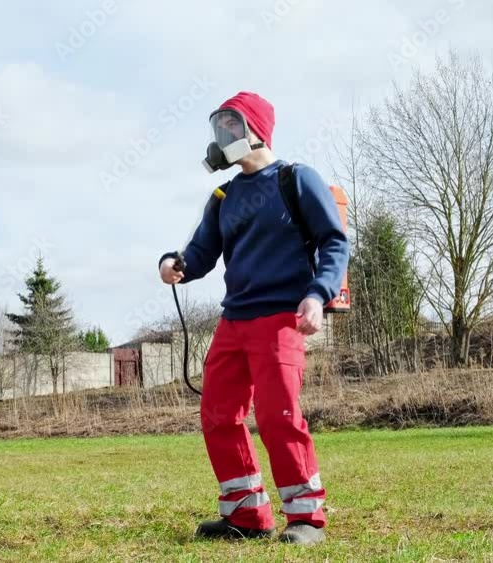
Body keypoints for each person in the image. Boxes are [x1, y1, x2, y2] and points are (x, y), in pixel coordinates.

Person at [158, 91, 350, 545]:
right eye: (218, 129)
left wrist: (317, 294)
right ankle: (246, 515)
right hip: (234, 321)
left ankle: (306, 519)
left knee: (278, 414)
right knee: (218, 415)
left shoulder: (296, 179)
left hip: (282, 316)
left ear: (255, 129)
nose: (221, 138)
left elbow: (334, 242)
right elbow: (200, 253)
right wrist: (175, 264)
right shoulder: (223, 195)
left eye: (230, 126)